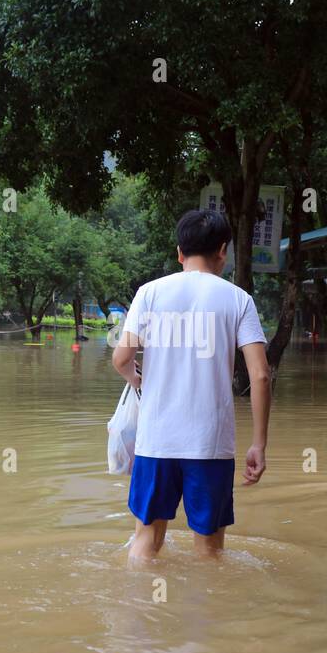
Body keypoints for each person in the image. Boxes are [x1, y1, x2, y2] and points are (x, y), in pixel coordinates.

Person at [111, 209, 272, 562]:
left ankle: (137, 610)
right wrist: (258, 443)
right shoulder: (238, 300)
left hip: (156, 441)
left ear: (179, 253)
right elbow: (260, 375)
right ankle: (204, 614)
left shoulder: (149, 293)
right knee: (210, 548)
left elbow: (121, 359)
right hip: (210, 445)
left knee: (146, 540)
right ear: (223, 251)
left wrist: (137, 381)